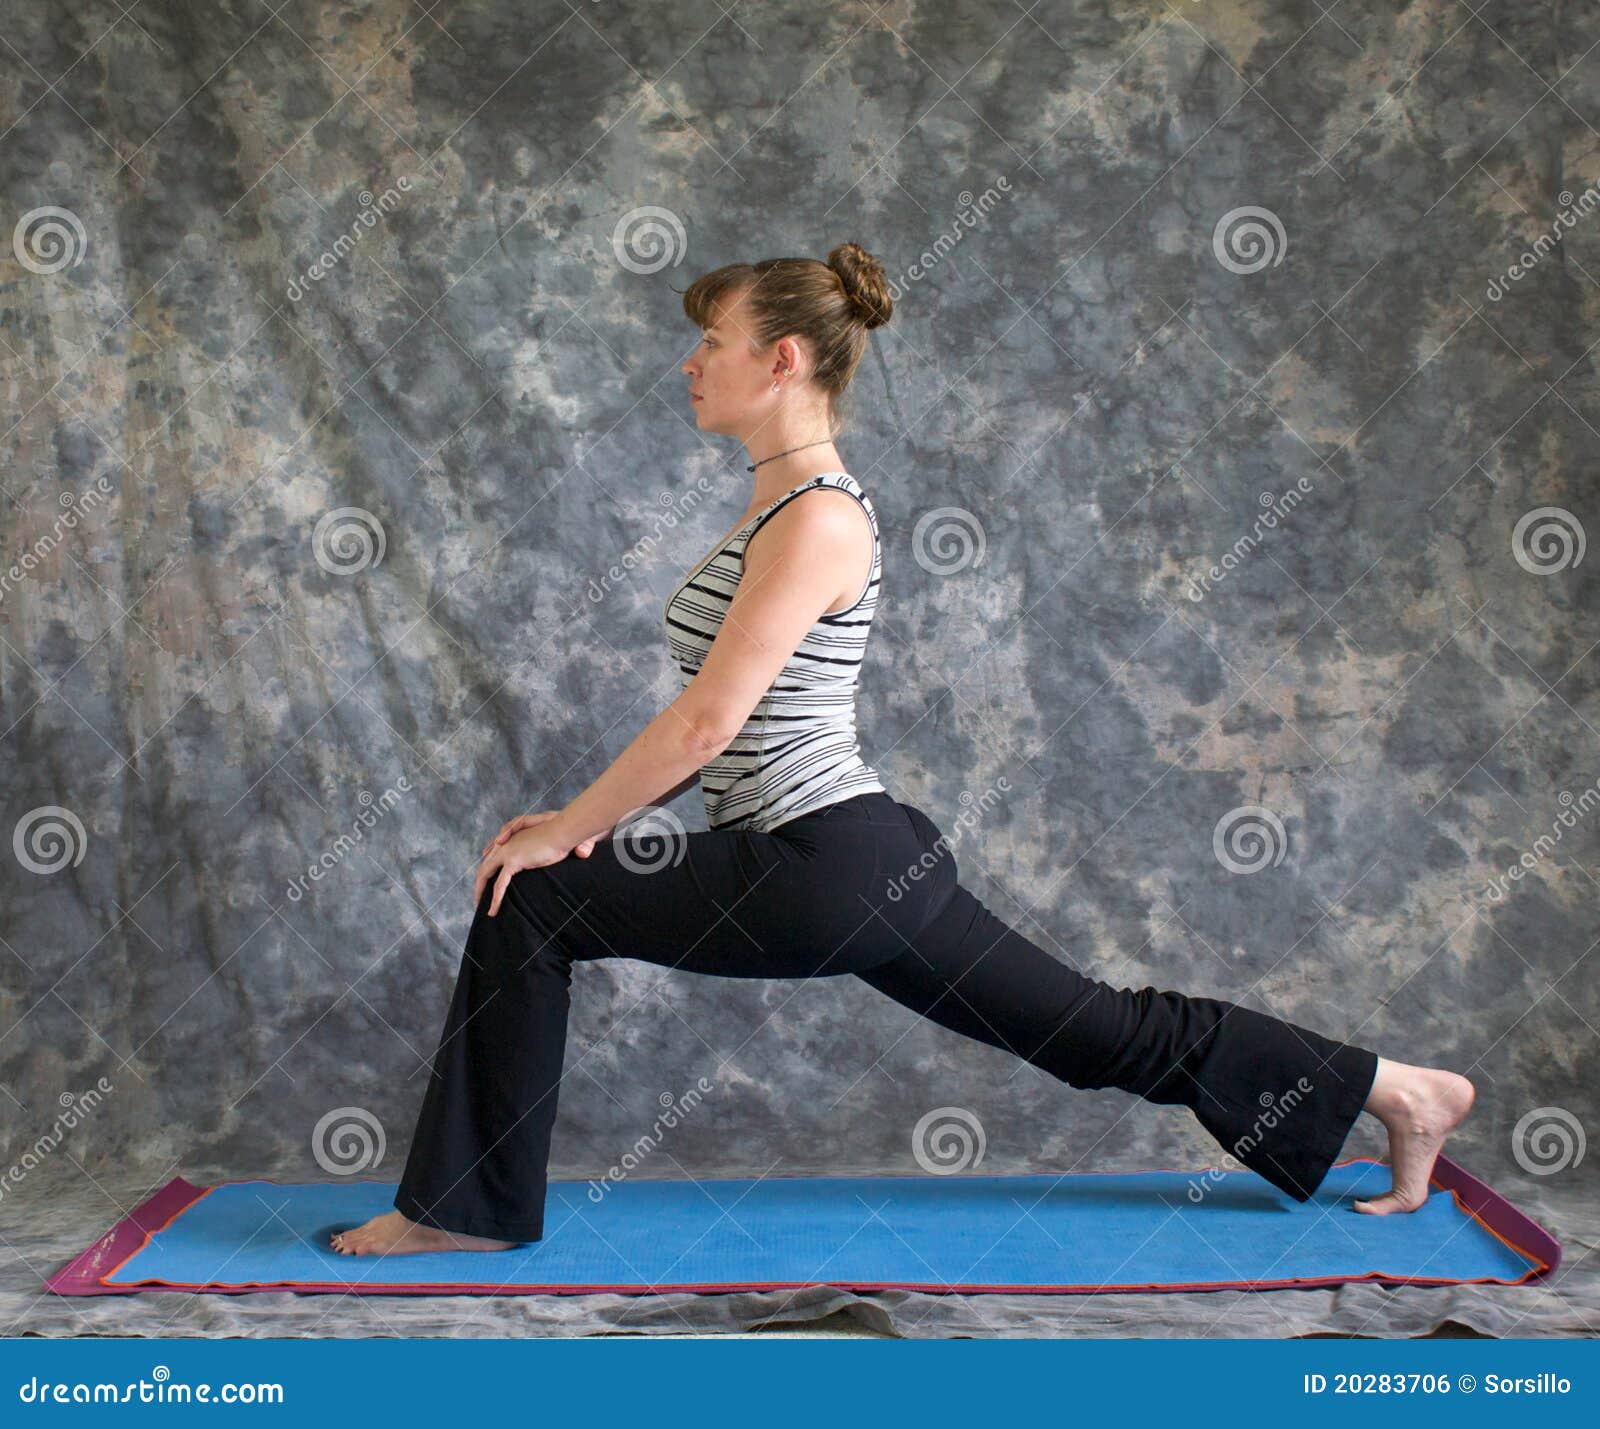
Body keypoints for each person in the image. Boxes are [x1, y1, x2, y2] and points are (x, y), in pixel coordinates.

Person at [332, 243, 1474, 1256]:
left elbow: (706, 724)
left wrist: (566, 833)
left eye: (709, 341)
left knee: (526, 903)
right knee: (1093, 1032)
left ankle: (455, 1212)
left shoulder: (820, 517)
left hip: (821, 861)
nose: (690, 362)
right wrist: (576, 825)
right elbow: (720, 727)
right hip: (859, 862)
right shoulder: (780, 510)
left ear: (781, 359)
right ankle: (1398, 1091)